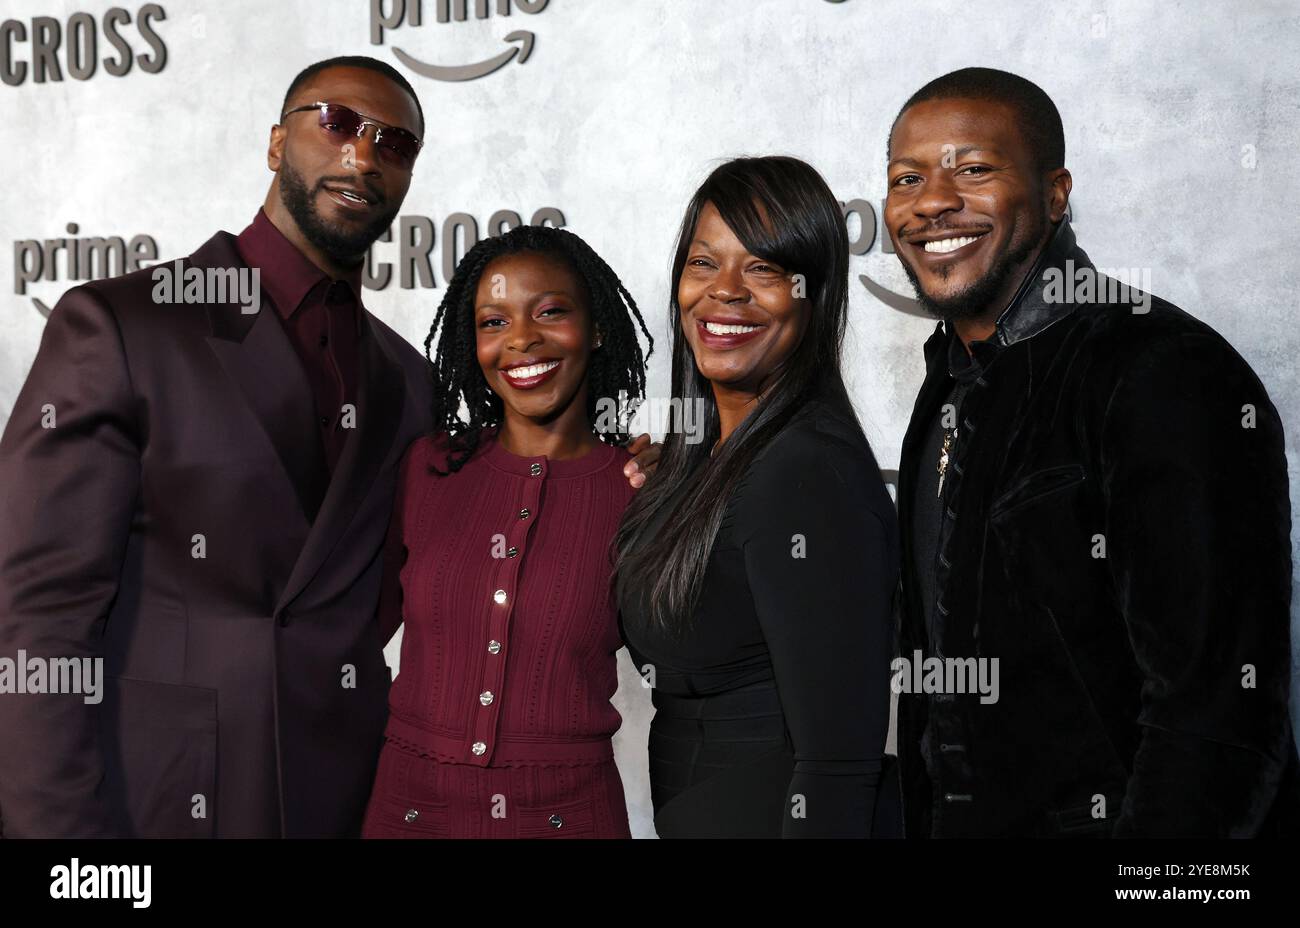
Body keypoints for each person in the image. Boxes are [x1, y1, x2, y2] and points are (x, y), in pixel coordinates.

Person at [0, 53, 659, 839]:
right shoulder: (124, 325)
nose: (363, 155)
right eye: (337, 123)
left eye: (395, 143)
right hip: (155, 804)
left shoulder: (410, 383)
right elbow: (36, 619)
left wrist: (624, 475)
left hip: (353, 800)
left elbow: (426, 564)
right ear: (277, 142)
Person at [886, 67, 1298, 837]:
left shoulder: (1162, 370)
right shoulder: (946, 384)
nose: (934, 199)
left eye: (973, 168)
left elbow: (1217, 717)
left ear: (1055, 193)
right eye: (908, 177)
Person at [614, 156, 900, 838]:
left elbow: (837, 762)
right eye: (704, 264)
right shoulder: (708, 461)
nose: (726, 293)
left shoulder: (806, 474)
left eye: (764, 270)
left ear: (815, 292)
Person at [361, 225, 653, 838]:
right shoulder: (427, 469)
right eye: (493, 322)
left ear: (597, 326)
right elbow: (350, 626)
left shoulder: (641, 491)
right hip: (410, 811)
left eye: (549, 312)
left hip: (568, 816)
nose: (521, 339)